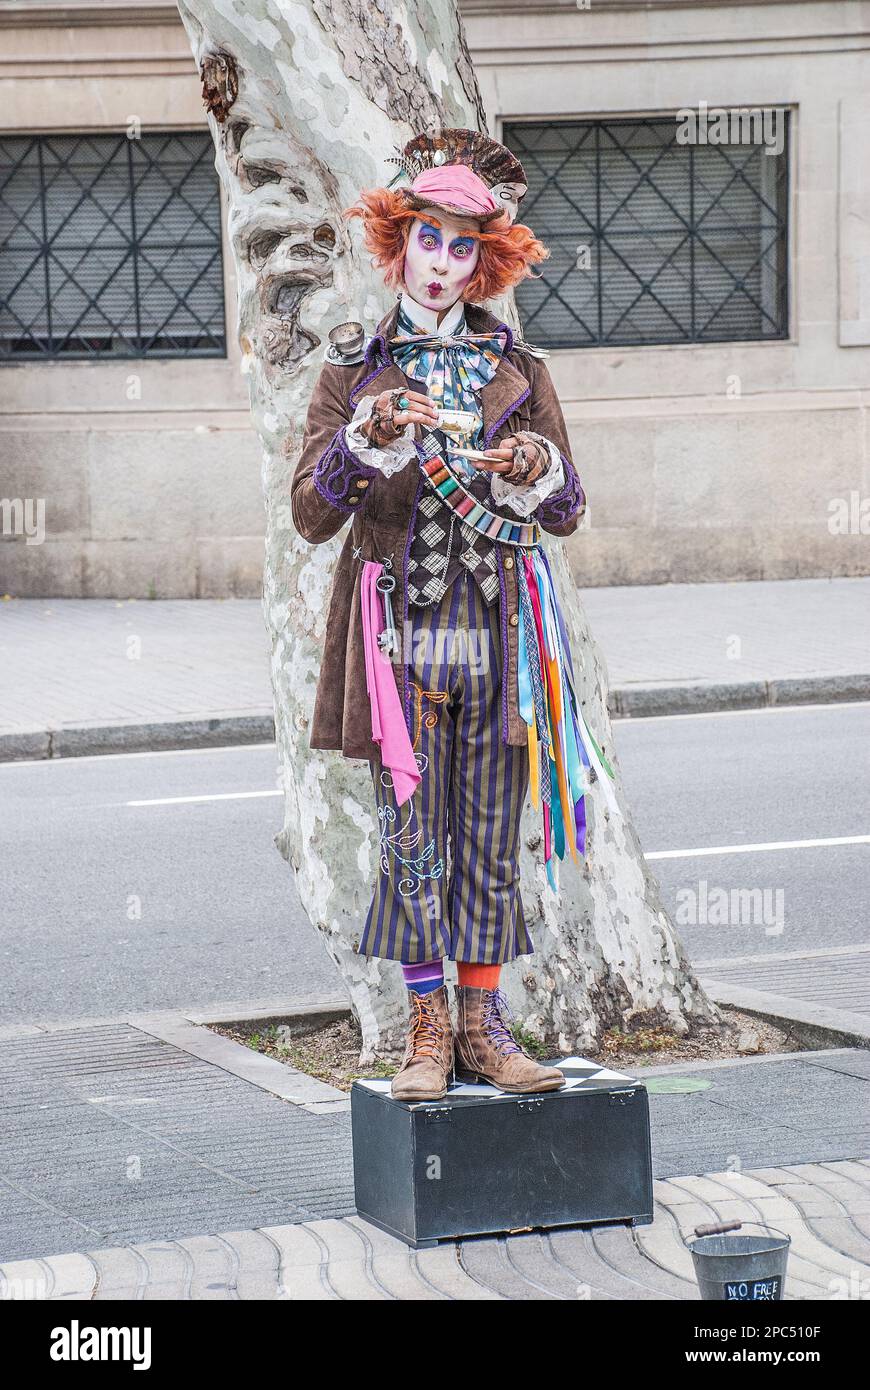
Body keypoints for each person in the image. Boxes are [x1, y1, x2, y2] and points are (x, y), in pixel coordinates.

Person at [292, 128, 612, 1102]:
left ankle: (483, 1027)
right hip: (399, 647)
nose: (440, 262)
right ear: (399, 247)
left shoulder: (524, 372)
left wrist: (534, 468)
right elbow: (311, 513)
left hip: (503, 642)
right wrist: (366, 442)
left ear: (484, 261)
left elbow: (568, 510)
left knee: (486, 838)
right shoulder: (355, 373)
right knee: (414, 840)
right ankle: (425, 1032)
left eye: (461, 246)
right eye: (425, 240)